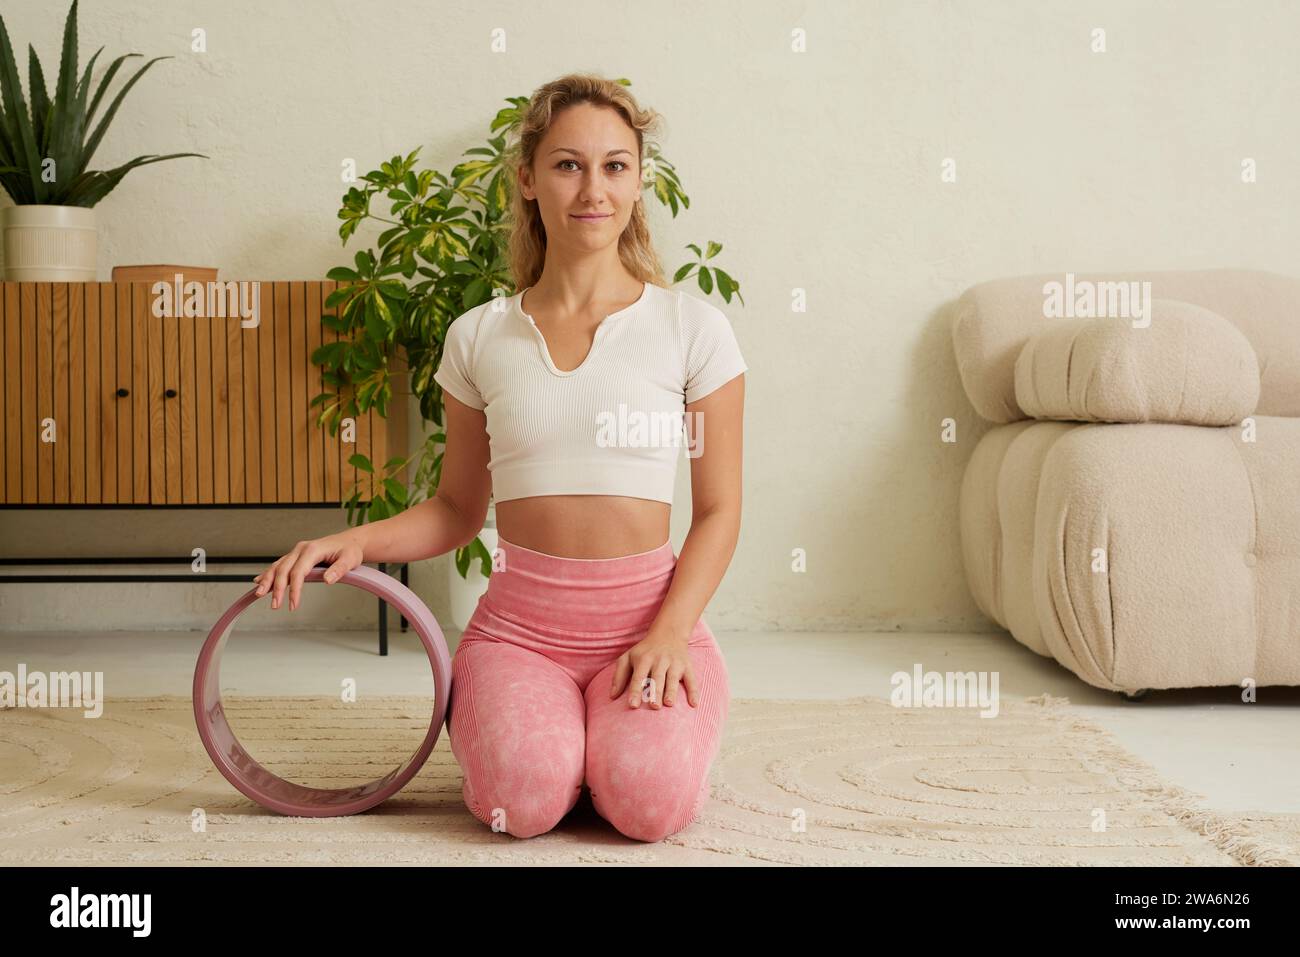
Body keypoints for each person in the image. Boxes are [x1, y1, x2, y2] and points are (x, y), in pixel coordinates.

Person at [252, 73, 747, 842]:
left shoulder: (693, 329)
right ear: (526, 178)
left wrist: (673, 630)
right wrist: (354, 541)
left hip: (649, 622)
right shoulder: (479, 336)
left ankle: (615, 750)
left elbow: (719, 510)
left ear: (639, 180)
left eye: (616, 165)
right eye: (567, 164)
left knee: (649, 806)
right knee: (523, 803)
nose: (593, 189)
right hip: (522, 633)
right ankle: (563, 746)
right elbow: (456, 509)